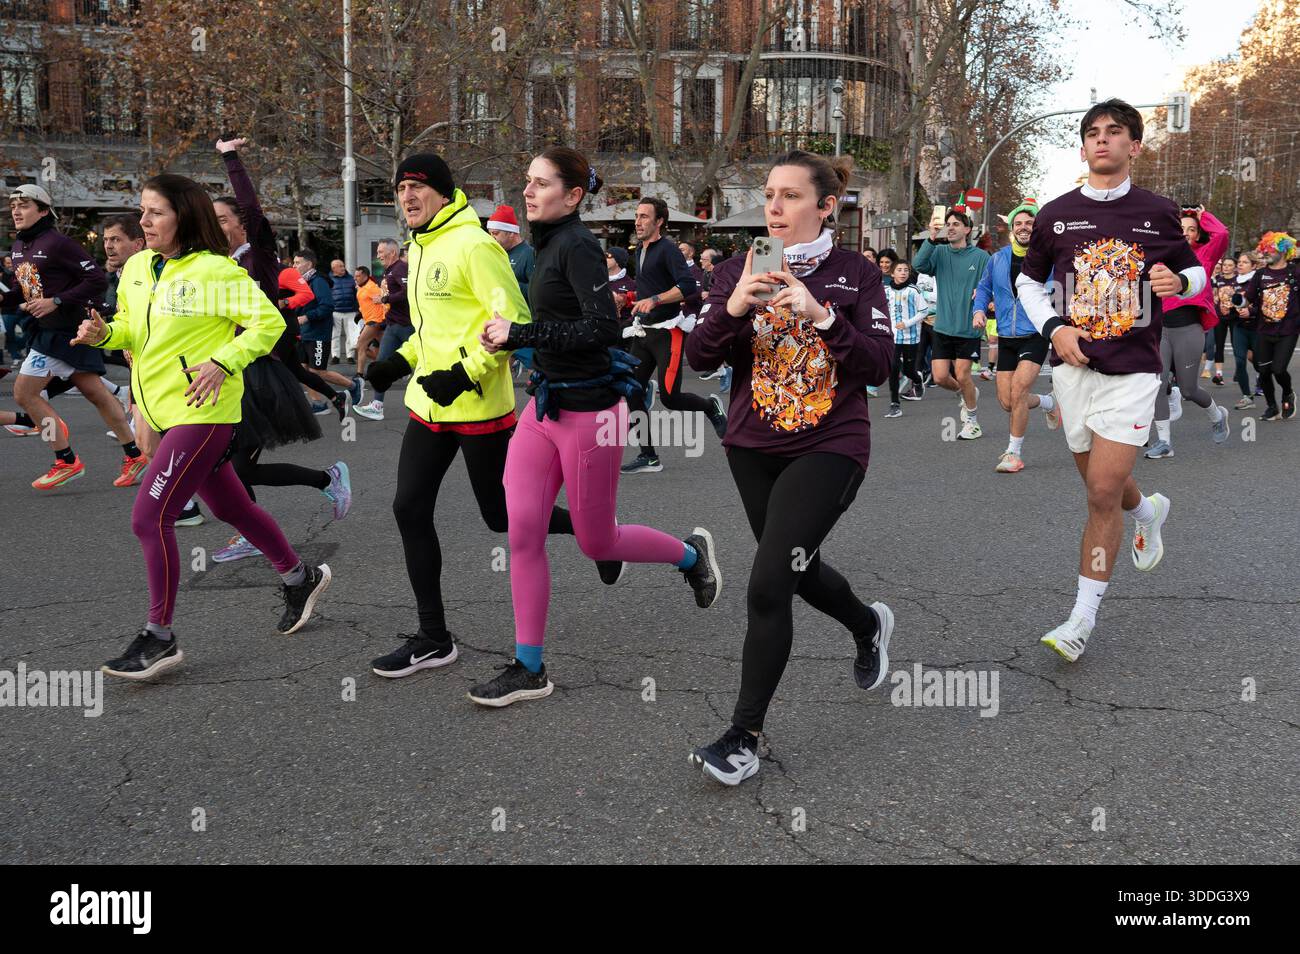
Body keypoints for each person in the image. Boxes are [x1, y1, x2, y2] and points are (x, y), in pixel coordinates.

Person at [469, 147, 722, 706]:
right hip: (545, 408)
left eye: (540, 183)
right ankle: (529, 666)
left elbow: (601, 329)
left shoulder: (579, 246)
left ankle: (690, 554)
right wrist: (511, 335)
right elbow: (554, 323)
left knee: (595, 540)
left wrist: (522, 335)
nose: (528, 191)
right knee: (522, 529)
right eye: (527, 180)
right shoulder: (541, 244)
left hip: (592, 415)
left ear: (574, 195)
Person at [684, 149, 896, 786]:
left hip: (831, 444)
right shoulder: (734, 271)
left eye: (790, 196)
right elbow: (697, 358)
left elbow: (879, 366)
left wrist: (824, 317)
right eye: (768, 194)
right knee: (795, 571)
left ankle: (743, 736)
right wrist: (732, 309)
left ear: (826, 205)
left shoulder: (855, 274)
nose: (773, 207)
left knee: (767, 584)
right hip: (752, 445)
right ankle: (868, 624)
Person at [71, 173, 332, 679]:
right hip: (167, 413)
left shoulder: (217, 273)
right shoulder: (139, 268)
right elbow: (132, 328)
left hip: (205, 414)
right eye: (142, 211)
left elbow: (269, 324)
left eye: (155, 213)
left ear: (182, 218)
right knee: (232, 506)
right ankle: (300, 577)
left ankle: (160, 637)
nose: (143, 222)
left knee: (149, 518)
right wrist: (106, 333)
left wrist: (225, 361)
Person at [362, 153, 612, 679]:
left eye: (417, 187)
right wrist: (396, 363)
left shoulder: (475, 245)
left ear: (443, 191)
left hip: (478, 407)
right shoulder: (420, 244)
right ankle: (433, 636)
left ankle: (599, 537)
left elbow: (513, 322)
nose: (406, 197)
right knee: (408, 509)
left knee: (501, 516)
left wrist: (464, 374)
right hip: (428, 407)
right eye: (400, 188)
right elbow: (437, 331)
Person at [1015, 99, 1205, 662]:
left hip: (1135, 370)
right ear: (1082, 147)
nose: (1102, 141)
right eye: (1092, 133)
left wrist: (1181, 282)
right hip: (1074, 368)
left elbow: (1193, 269)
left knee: (1100, 491)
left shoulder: (1158, 211)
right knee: (1101, 480)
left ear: (1134, 146)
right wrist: (1053, 328)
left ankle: (1081, 617)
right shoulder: (1055, 214)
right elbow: (1029, 282)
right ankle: (1147, 511)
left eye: (1114, 133)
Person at [2, 184, 143, 490]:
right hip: (53, 331)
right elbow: (26, 290)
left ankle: (65, 460)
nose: (16, 211)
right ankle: (135, 454)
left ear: (42, 210)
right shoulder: (19, 247)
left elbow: (93, 279)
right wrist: (6, 299)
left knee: (25, 394)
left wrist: (56, 301)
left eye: (24, 205)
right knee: (97, 394)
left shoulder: (57, 243)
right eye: (13, 205)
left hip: (65, 330)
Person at [213, 139, 360, 420]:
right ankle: (336, 397)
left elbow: (305, 296)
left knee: (295, 374)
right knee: (296, 372)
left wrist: (230, 157)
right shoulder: (217, 263)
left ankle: (343, 391)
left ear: (242, 225)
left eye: (221, 220)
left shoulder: (260, 256)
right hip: (238, 353)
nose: (215, 226)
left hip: (267, 344)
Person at [620, 196, 727, 474]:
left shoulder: (668, 249)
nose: (638, 221)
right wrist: (629, 298)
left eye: (644, 216)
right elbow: (648, 287)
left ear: (659, 222)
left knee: (669, 397)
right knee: (631, 389)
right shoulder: (639, 250)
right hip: (644, 331)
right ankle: (649, 456)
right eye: (637, 215)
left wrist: (654, 300)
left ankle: (710, 406)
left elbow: (688, 287)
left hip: (669, 333)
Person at [972, 200, 1059, 472]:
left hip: (1035, 332)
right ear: (1012, 229)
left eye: (1029, 223)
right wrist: (978, 311)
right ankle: (1048, 402)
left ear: (1037, 228)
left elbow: (1061, 289)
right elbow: (984, 288)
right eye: (1018, 224)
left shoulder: (1050, 259)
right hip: (1006, 335)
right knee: (1008, 401)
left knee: (1020, 390)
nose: (1024, 228)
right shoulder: (998, 259)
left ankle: (1014, 453)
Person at [1145, 205, 1231, 458]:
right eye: (1180, 228)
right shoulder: (1159, 257)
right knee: (1157, 385)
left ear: (1197, 235)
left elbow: (1222, 234)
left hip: (1188, 328)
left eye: (1191, 229)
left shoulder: (1204, 254)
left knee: (1190, 389)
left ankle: (1217, 415)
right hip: (1160, 329)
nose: (1185, 233)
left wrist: (1202, 215)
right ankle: (1164, 443)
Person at [914, 209, 990, 440]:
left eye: (956, 223)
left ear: (967, 230)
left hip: (968, 327)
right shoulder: (939, 252)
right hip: (943, 326)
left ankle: (973, 422)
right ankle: (964, 393)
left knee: (963, 373)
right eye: (948, 224)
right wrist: (931, 236)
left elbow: (992, 283)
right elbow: (918, 264)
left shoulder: (981, 257)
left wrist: (985, 295)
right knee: (939, 377)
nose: (951, 227)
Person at [1240, 231, 1300, 420]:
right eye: (1264, 248)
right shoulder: (1260, 274)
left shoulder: (1295, 272)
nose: (1265, 252)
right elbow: (1249, 300)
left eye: (1270, 249)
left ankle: (1288, 394)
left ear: (1283, 251)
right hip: (1264, 330)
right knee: (1263, 371)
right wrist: (1245, 307)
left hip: (1288, 330)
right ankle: (1272, 406)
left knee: (1279, 369)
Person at [293, 248, 360, 412]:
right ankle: (318, 404)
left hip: (318, 334)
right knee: (302, 370)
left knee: (318, 371)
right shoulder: (303, 281)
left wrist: (306, 317)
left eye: (297, 263)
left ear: (308, 264)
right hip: (304, 333)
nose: (294, 266)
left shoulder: (318, 282)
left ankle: (352, 385)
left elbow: (327, 306)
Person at [353, 238, 412, 421]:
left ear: (392, 252)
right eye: (377, 252)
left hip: (406, 326)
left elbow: (407, 290)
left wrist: (385, 300)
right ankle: (377, 406)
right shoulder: (389, 270)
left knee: (423, 366)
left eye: (380, 252)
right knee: (381, 365)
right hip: (393, 325)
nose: (378, 255)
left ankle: (430, 404)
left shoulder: (400, 267)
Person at [883, 259, 928, 417]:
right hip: (892, 338)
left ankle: (917, 380)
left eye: (906, 270)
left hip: (911, 336)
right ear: (892, 273)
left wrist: (907, 323)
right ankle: (895, 404)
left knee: (909, 370)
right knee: (893, 368)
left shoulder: (913, 291)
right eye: (899, 270)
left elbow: (924, 311)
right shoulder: (886, 291)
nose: (903, 273)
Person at [1229, 251, 1260, 409]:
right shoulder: (1235, 282)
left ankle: (1261, 377)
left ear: (1254, 265)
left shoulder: (1259, 281)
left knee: (1260, 363)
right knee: (1240, 361)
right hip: (1240, 327)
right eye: (1239, 262)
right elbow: (1233, 303)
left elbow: (1264, 306)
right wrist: (1229, 308)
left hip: (1257, 328)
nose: (1240, 264)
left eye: (1245, 262)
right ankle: (1247, 397)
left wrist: (1251, 311)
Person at [487, 204, 535, 301]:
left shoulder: (529, 254)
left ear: (511, 233)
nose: (492, 238)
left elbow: (537, 292)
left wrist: (508, 283)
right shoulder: (497, 253)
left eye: (496, 233)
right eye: (490, 234)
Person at [353, 264, 386, 378]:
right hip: (370, 320)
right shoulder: (361, 287)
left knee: (360, 346)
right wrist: (360, 314)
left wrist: (383, 319)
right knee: (380, 352)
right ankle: (387, 366)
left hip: (375, 321)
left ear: (365, 276)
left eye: (357, 276)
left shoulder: (372, 288)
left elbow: (384, 301)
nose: (355, 278)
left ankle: (359, 374)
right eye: (355, 276)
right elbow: (366, 304)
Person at [329, 258, 359, 364]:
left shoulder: (351, 278)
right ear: (334, 268)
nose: (343, 268)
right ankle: (335, 356)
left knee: (350, 334)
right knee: (334, 335)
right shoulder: (329, 279)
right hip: (335, 311)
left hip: (351, 311)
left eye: (343, 265)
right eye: (340, 266)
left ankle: (350, 356)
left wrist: (357, 309)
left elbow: (357, 294)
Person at [605, 246, 636, 328]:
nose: (604, 258)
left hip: (620, 330)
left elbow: (636, 312)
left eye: (608, 256)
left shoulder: (631, 284)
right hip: (600, 329)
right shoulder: (597, 280)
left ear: (617, 262)